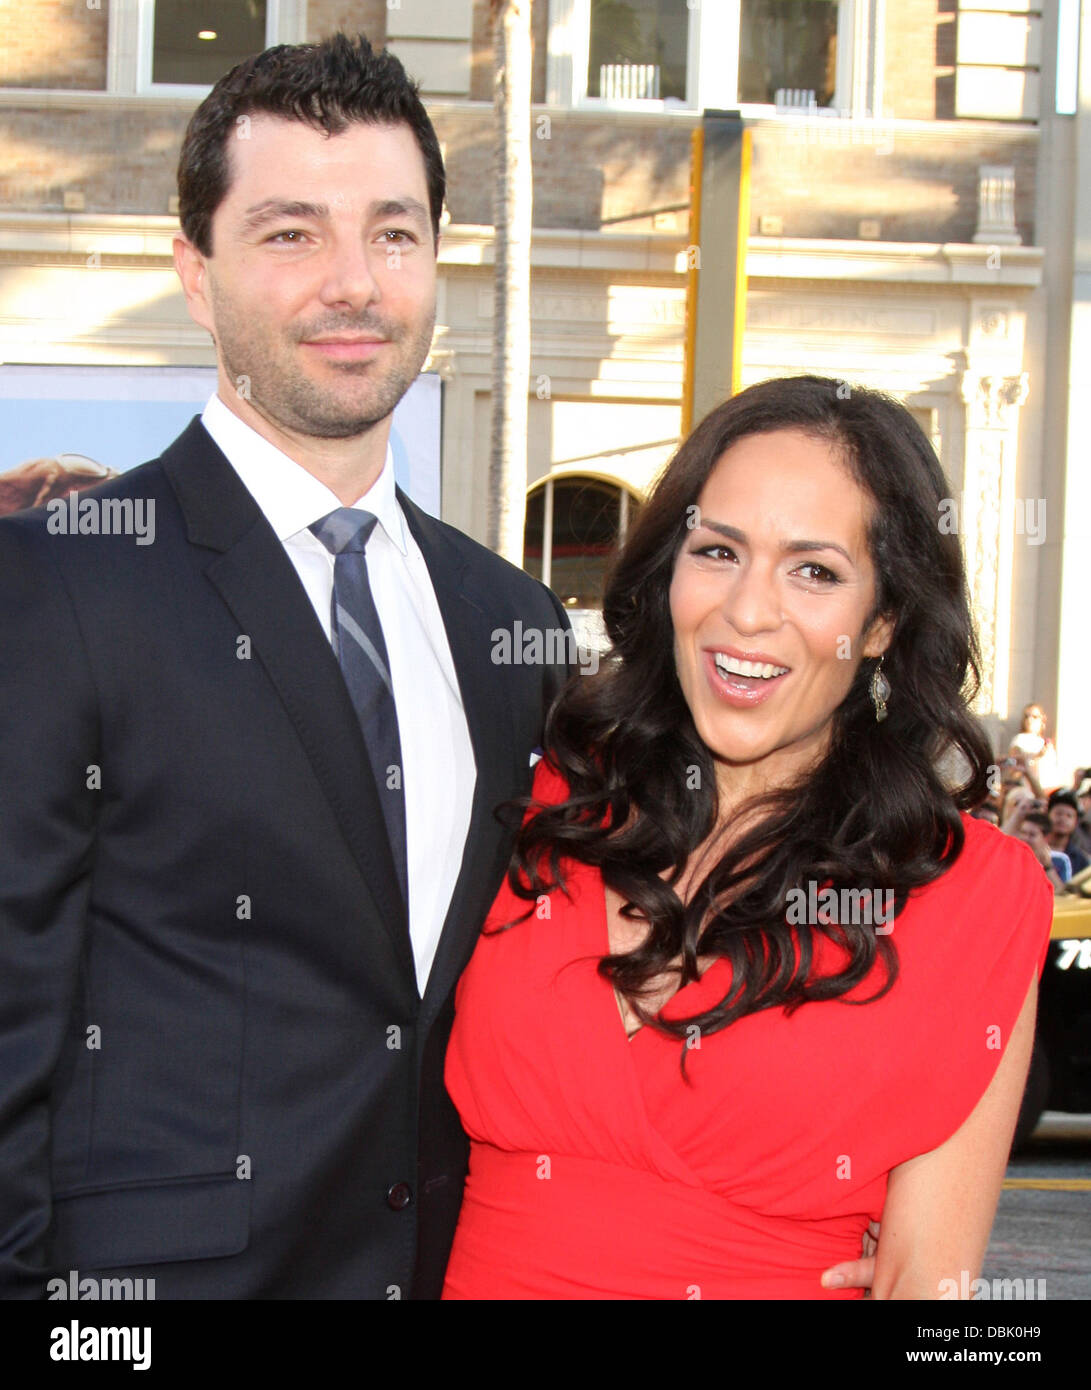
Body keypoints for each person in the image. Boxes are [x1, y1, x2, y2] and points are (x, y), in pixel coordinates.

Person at [0, 34, 573, 1299]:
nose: (352, 283)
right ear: (195, 276)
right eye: (291, 233)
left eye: (393, 233)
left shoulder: (506, 621)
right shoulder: (53, 587)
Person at [441, 375, 1053, 1300]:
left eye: (815, 571)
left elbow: (934, 1292)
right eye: (718, 551)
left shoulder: (969, 894)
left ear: (882, 623)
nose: (748, 610)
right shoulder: (542, 799)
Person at [1008, 703, 1059, 798]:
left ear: (1042, 719)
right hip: (1031, 792)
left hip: (1050, 790)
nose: (1030, 720)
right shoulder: (1019, 740)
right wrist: (1036, 757)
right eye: (1027, 716)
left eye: (1034, 717)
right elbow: (1014, 771)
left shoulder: (1045, 742)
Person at [1046, 790, 1090, 876]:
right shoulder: (1032, 847)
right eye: (1058, 814)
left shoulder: (1080, 860)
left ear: (1076, 822)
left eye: (1069, 816)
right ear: (1047, 815)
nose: (1063, 819)